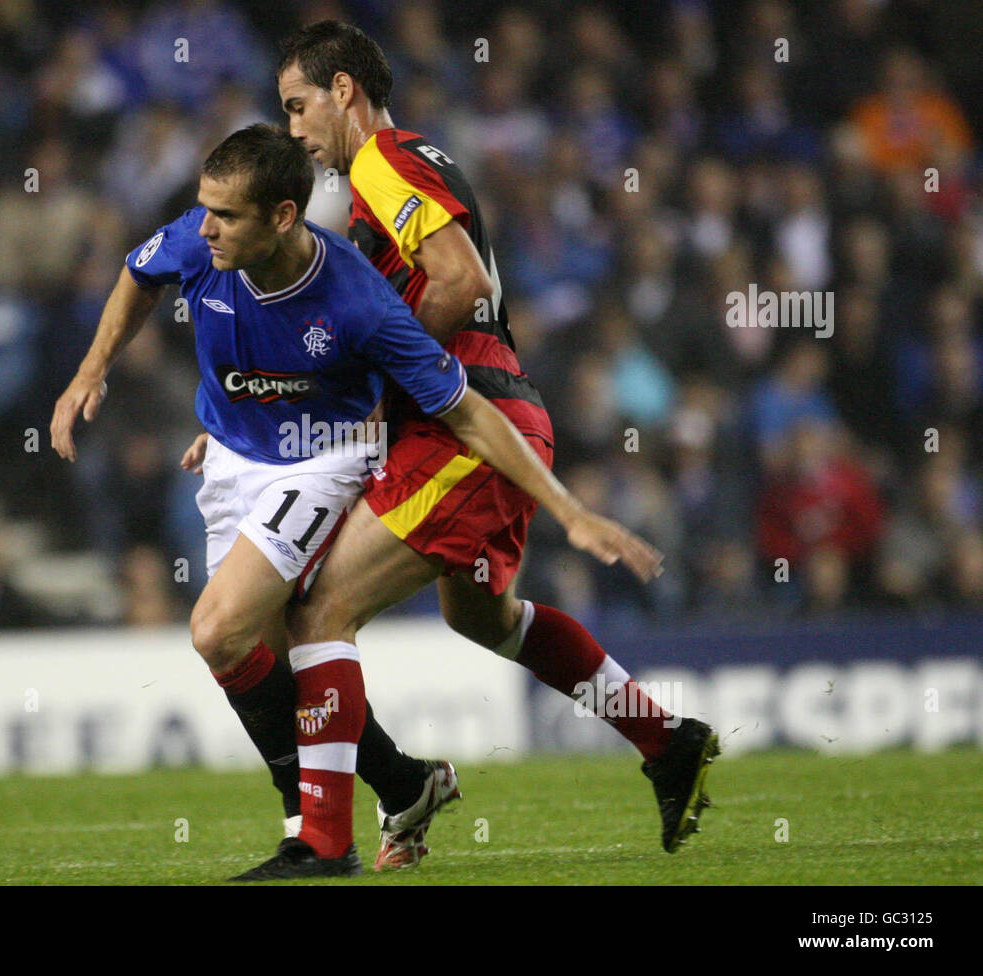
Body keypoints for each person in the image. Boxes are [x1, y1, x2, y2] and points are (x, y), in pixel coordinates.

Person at [52, 123, 662, 880]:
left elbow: (468, 411)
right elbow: (136, 276)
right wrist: (91, 372)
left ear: (282, 217)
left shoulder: (358, 303)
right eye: (202, 209)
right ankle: (403, 783)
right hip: (234, 456)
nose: (203, 227)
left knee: (217, 629)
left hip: (324, 460)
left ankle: (316, 842)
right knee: (256, 650)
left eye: (225, 215)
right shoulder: (197, 240)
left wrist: (570, 510)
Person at [220, 22, 717, 881]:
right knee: (479, 615)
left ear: (343, 91)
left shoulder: (381, 159)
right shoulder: (419, 160)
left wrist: (378, 389)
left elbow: (459, 282)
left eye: (298, 106)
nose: (293, 130)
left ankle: (323, 846)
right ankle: (666, 741)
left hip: (466, 425)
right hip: (501, 413)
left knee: (316, 613)